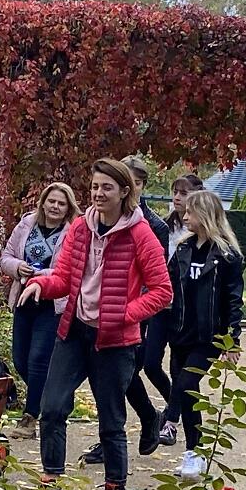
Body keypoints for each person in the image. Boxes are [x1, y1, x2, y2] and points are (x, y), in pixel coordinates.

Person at [18, 158, 172, 490]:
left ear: (124, 192)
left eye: (106, 187)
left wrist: (124, 313)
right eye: (94, 187)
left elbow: (162, 291)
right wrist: (43, 285)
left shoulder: (140, 232)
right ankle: (50, 486)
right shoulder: (80, 227)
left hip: (115, 341)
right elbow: (64, 277)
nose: (98, 194)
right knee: (53, 407)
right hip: (74, 332)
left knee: (111, 421)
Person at [79, 156, 170, 464]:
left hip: (132, 312)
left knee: (121, 374)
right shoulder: (95, 220)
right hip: (100, 313)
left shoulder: (153, 226)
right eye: (99, 186)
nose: (105, 192)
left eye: (115, 185)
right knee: (120, 376)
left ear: (136, 186)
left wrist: (129, 310)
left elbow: (156, 277)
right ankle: (146, 417)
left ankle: (120, 435)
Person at [161, 190, 244, 481]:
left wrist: (232, 340)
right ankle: (192, 452)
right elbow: (168, 288)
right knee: (182, 392)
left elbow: (234, 299)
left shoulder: (227, 256)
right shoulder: (183, 250)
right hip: (180, 332)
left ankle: (195, 453)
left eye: (191, 212)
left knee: (186, 386)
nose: (184, 216)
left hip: (208, 336)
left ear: (205, 214)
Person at [1, 183, 81, 440]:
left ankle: (30, 417)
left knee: (38, 359)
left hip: (52, 303)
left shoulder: (72, 233)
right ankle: (57, 394)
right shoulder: (26, 225)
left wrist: (40, 274)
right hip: (24, 299)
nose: (55, 207)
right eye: (52, 201)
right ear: (43, 202)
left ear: (68, 208)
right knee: (20, 360)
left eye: (61, 203)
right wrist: (18, 267)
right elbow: (6, 257)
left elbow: (68, 269)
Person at [142, 172, 204, 442]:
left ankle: (172, 420)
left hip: (184, 311)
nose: (177, 198)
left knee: (182, 370)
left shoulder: (199, 232)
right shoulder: (163, 226)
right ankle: (173, 406)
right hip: (160, 305)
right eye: (175, 192)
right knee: (150, 363)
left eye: (184, 193)